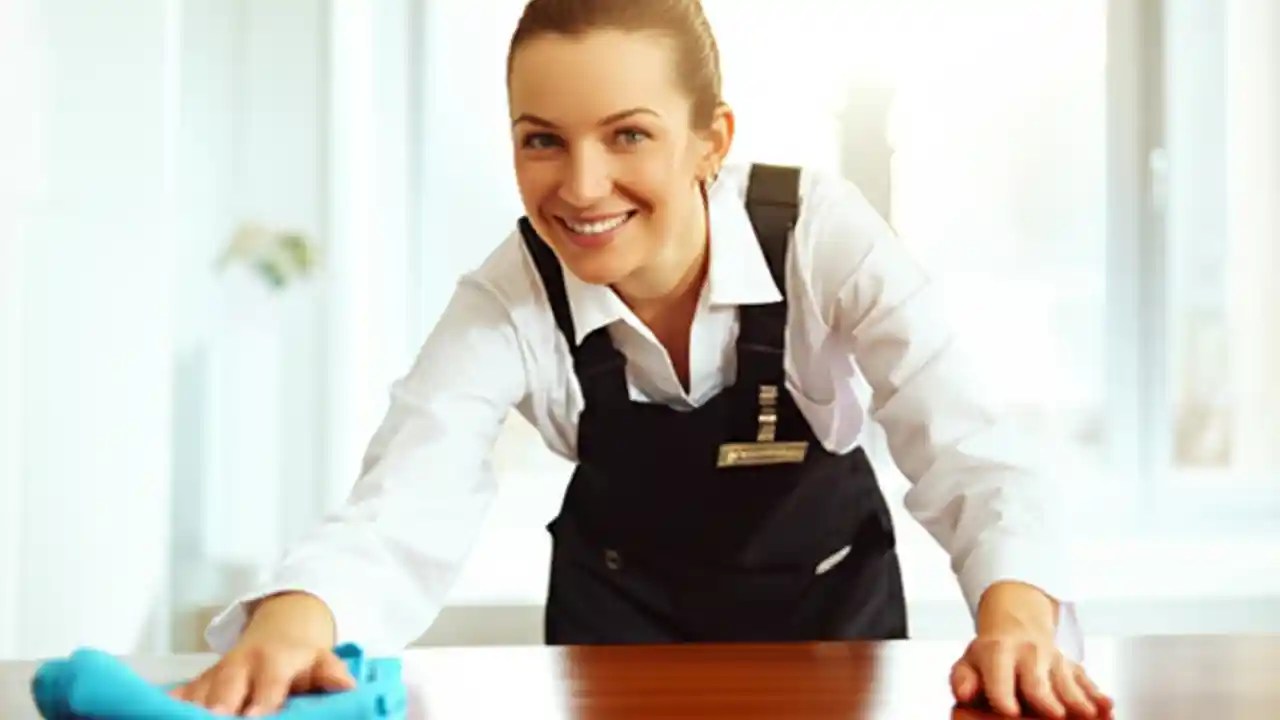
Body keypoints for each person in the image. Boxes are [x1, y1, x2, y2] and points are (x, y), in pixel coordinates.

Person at [174, 1, 1113, 718]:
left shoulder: (819, 235)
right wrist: (297, 618)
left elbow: (965, 443)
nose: (582, 187)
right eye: (543, 140)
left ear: (712, 141)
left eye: (628, 134)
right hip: (616, 633)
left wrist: (1017, 624)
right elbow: (407, 495)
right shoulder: (509, 295)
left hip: (829, 624)